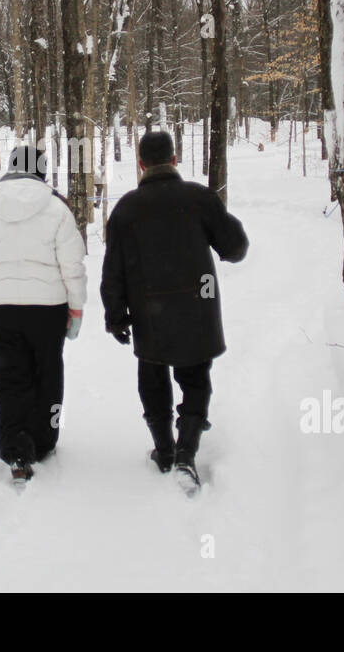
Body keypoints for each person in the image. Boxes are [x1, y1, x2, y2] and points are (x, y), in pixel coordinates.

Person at [100, 131, 248, 490]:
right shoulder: (199, 198)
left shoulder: (127, 209)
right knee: (195, 378)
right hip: (197, 305)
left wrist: (115, 316)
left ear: (141, 164)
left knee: (152, 377)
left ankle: (164, 450)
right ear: (175, 159)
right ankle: (186, 452)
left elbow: (113, 270)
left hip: (148, 308)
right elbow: (236, 247)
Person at [0, 145, 87, 484]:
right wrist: (76, 306)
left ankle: (14, 445)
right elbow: (72, 265)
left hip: (1, 308)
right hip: (48, 308)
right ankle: (43, 441)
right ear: (42, 172)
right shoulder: (57, 209)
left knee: (8, 378)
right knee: (47, 375)